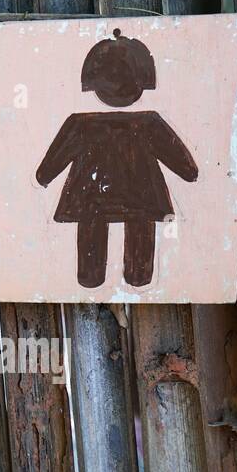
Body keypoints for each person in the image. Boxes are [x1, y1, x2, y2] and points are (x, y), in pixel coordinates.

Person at [35, 29, 198, 288]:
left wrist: (44, 176)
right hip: (140, 195)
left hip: (92, 195)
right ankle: (138, 276)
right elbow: (185, 165)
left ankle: (91, 276)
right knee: (140, 230)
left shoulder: (81, 124)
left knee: (92, 229)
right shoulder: (148, 123)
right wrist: (189, 173)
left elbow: (51, 164)